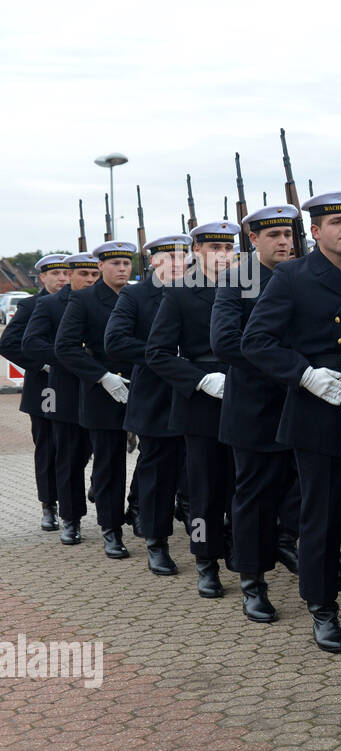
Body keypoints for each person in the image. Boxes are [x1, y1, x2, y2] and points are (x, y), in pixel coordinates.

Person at [243, 190, 341, 652]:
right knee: (321, 514)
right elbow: (256, 341)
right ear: (316, 232)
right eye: (336, 222)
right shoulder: (292, 277)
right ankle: (323, 607)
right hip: (317, 409)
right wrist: (304, 373)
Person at [211, 205, 304, 622]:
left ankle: (286, 538)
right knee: (252, 498)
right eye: (274, 236)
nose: (284, 242)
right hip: (255, 406)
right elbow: (226, 342)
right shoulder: (236, 280)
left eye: (288, 234)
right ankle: (253, 581)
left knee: (303, 486)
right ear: (254, 240)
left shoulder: (303, 277)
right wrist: (290, 367)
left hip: (301, 402)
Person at [147, 222, 240, 597]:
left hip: (245, 396)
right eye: (214, 247)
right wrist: (200, 380)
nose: (222, 254)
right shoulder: (180, 294)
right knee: (204, 490)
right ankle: (205, 560)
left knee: (243, 486)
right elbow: (158, 353)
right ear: (197, 252)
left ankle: (244, 554)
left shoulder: (248, 288)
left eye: (228, 247)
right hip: (201, 402)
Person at [105, 235, 192, 575]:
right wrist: (165, 355)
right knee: (157, 474)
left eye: (182, 257)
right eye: (168, 257)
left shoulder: (201, 291)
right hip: (156, 397)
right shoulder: (136, 294)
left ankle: (209, 538)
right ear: (153, 262)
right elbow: (116, 341)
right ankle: (157, 543)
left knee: (201, 472)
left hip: (197, 394)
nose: (176, 263)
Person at [56, 240, 137, 559]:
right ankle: (111, 529)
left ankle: (141, 510)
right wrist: (102, 376)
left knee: (157, 454)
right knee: (109, 462)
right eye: (114, 264)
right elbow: (66, 347)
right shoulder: (85, 300)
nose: (121, 269)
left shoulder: (139, 296)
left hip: (143, 385)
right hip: (102, 389)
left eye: (126, 263)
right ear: (100, 266)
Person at [24, 253, 98, 545]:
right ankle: (70, 517)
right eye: (84, 275)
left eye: (94, 275)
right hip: (63, 389)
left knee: (95, 454)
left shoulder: (111, 301)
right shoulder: (47, 304)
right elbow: (30, 343)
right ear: (72, 274)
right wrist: (70, 358)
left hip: (101, 388)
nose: (90, 281)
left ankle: (104, 500)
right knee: (66, 456)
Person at [0, 254, 69, 531]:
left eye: (66, 274)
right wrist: (42, 364)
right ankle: (49, 505)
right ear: (42, 277)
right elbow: (8, 344)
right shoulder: (31, 305)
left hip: (78, 387)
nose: (62, 279)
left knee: (79, 447)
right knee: (49, 449)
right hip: (45, 389)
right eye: (56, 274)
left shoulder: (78, 303)